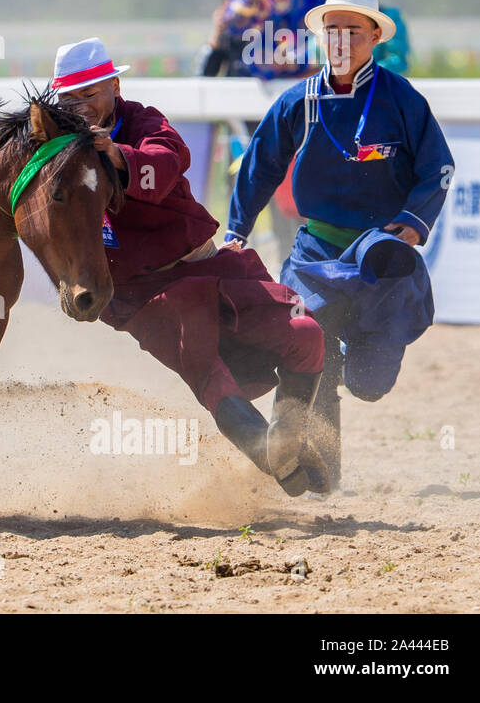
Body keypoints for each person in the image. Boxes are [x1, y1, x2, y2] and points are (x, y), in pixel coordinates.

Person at [52, 37, 329, 497]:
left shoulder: (143, 120)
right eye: (69, 99)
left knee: (306, 335)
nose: (80, 106)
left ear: (114, 85)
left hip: (207, 266)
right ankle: (268, 452)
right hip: (140, 295)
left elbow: (168, 162)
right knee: (205, 366)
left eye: (89, 93)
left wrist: (116, 154)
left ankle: (289, 443)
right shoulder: (55, 151)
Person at [224, 0, 452, 492]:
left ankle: (355, 361)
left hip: (381, 257)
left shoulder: (401, 99)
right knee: (312, 356)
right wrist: (237, 230)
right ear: (321, 39)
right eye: (333, 31)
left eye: (354, 30)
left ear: (375, 36)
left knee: (368, 384)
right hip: (316, 252)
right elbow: (259, 165)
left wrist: (414, 221)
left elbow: (438, 168)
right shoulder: (299, 102)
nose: (342, 40)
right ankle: (321, 479)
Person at [344, 0, 410, 74]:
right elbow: (315, 54)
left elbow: (398, 60)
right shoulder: (334, 18)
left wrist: (363, 74)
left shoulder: (391, 17)